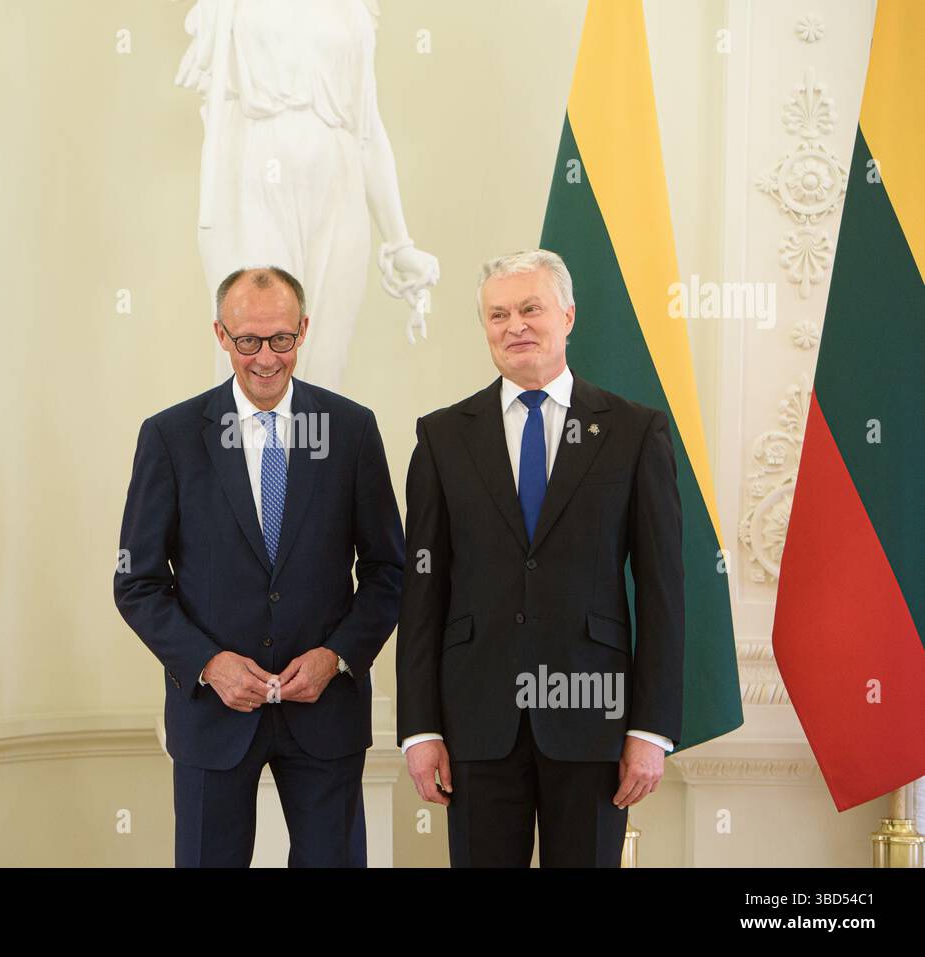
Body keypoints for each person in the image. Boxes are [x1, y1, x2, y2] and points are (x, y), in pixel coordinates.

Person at [396, 249, 685, 867]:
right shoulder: (442, 437)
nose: (515, 325)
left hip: (594, 719)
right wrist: (420, 728)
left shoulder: (636, 432)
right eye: (498, 314)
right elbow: (422, 593)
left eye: (531, 308)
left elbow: (663, 591)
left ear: (568, 315)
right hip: (476, 722)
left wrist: (650, 729)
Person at [114, 266, 404, 866]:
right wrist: (208, 664)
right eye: (248, 341)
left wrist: (337, 656)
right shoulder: (170, 436)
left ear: (304, 330)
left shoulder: (351, 430)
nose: (266, 358)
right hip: (211, 717)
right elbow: (137, 582)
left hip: (327, 712)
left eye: (281, 339)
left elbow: (388, 571)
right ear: (221, 335)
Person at [176, 0, 440, 389]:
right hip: (253, 184)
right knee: (257, 344)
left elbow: (367, 130)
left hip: (339, 188)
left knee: (325, 363)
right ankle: (244, 451)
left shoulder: (353, 10)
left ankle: (313, 450)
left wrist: (400, 243)